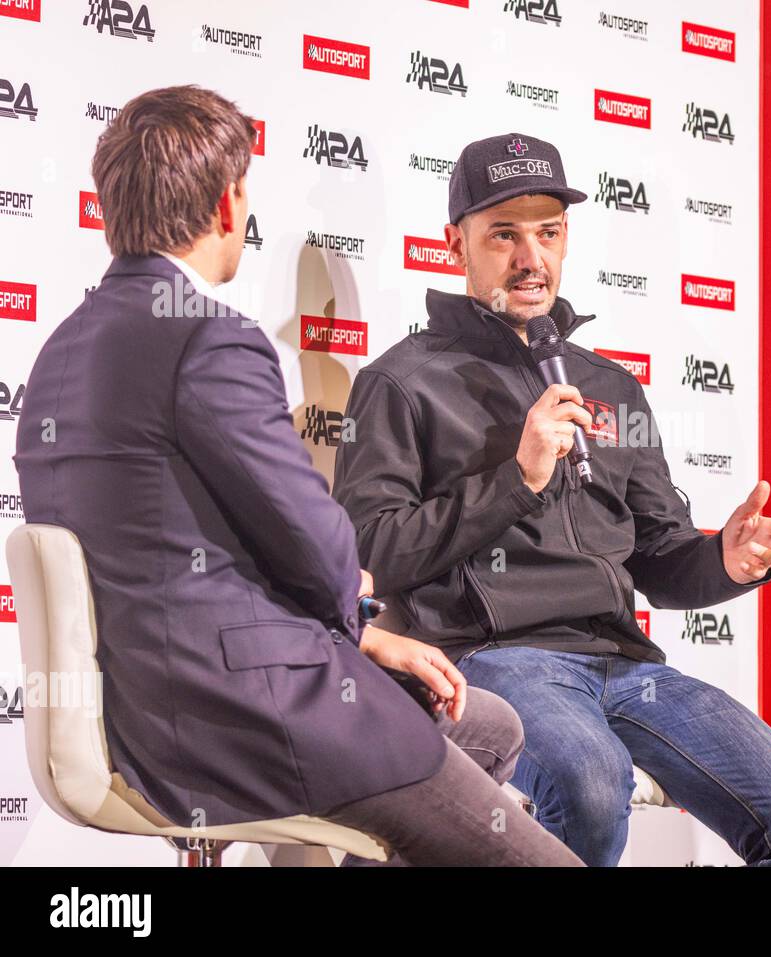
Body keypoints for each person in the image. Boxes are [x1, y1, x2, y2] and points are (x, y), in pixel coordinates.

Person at [13, 86, 579, 867]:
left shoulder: (57, 357)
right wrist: (353, 618)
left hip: (141, 714)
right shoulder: (209, 342)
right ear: (226, 202)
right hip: (247, 719)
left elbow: (192, 559)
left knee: (490, 724)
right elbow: (319, 546)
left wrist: (368, 640)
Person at [332, 132, 771, 866]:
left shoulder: (609, 386)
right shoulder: (401, 383)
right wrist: (517, 477)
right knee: (593, 787)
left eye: (546, 232)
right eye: (503, 234)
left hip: (626, 665)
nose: (529, 257)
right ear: (456, 244)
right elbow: (368, 557)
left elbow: (662, 560)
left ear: (567, 238)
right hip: (495, 660)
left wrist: (726, 561)